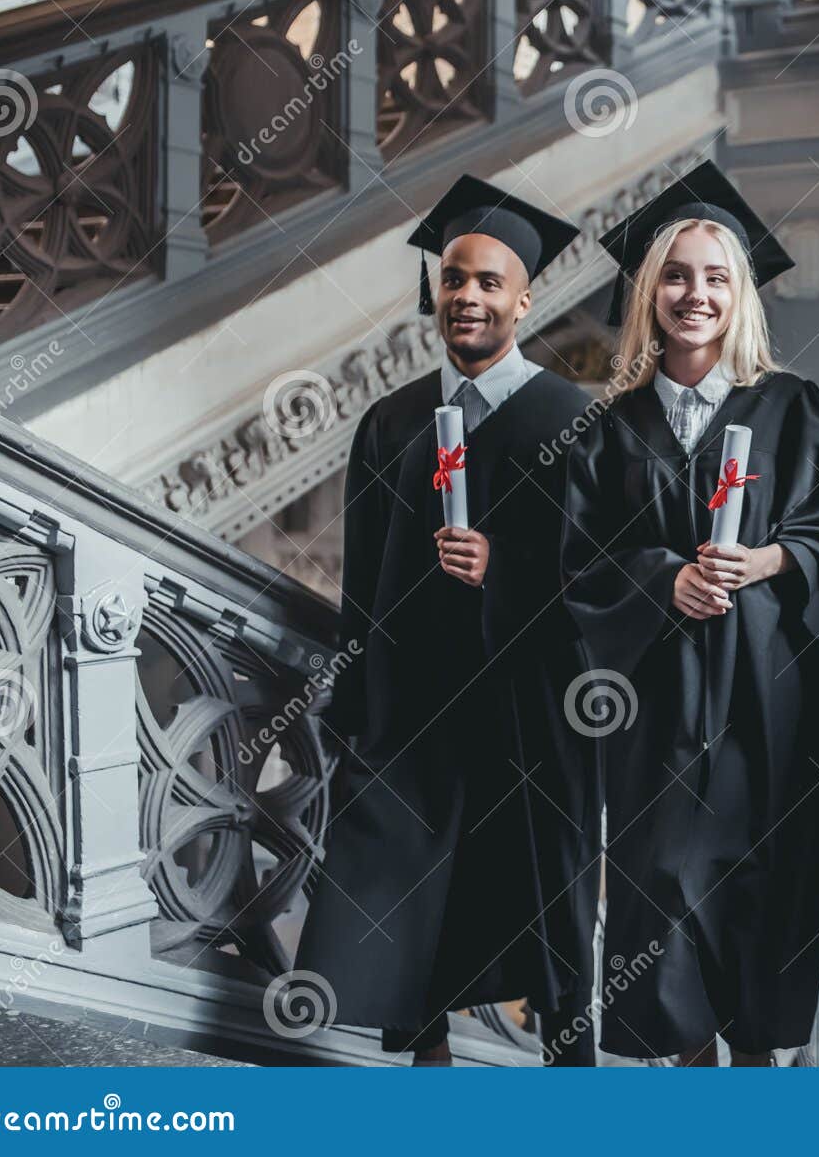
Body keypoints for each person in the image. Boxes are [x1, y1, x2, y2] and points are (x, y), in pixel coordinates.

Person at [560, 160, 819, 1065]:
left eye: (716, 278)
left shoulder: (790, 406)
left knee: (761, 893)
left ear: (741, 297)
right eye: (676, 276)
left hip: (766, 707)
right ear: (649, 293)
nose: (695, 294)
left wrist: (770, 558)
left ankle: (757, 1074)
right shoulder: (607, 428)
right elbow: (576, 566)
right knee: (663, 896)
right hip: (655, 713)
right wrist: (663, 580)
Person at [295, 176, 601, 1066]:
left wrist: (504, 568)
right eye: (454, 278)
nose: (467, 295)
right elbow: (362, 578)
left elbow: (602, 574)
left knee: (544, 900)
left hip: (529, 705)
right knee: (406, 896)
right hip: (412, 703)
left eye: (489, 282)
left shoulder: (574, 421)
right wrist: (354, 697)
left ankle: (576, 1080)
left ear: (524, 300)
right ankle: (426, 1070)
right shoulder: (391, 423)